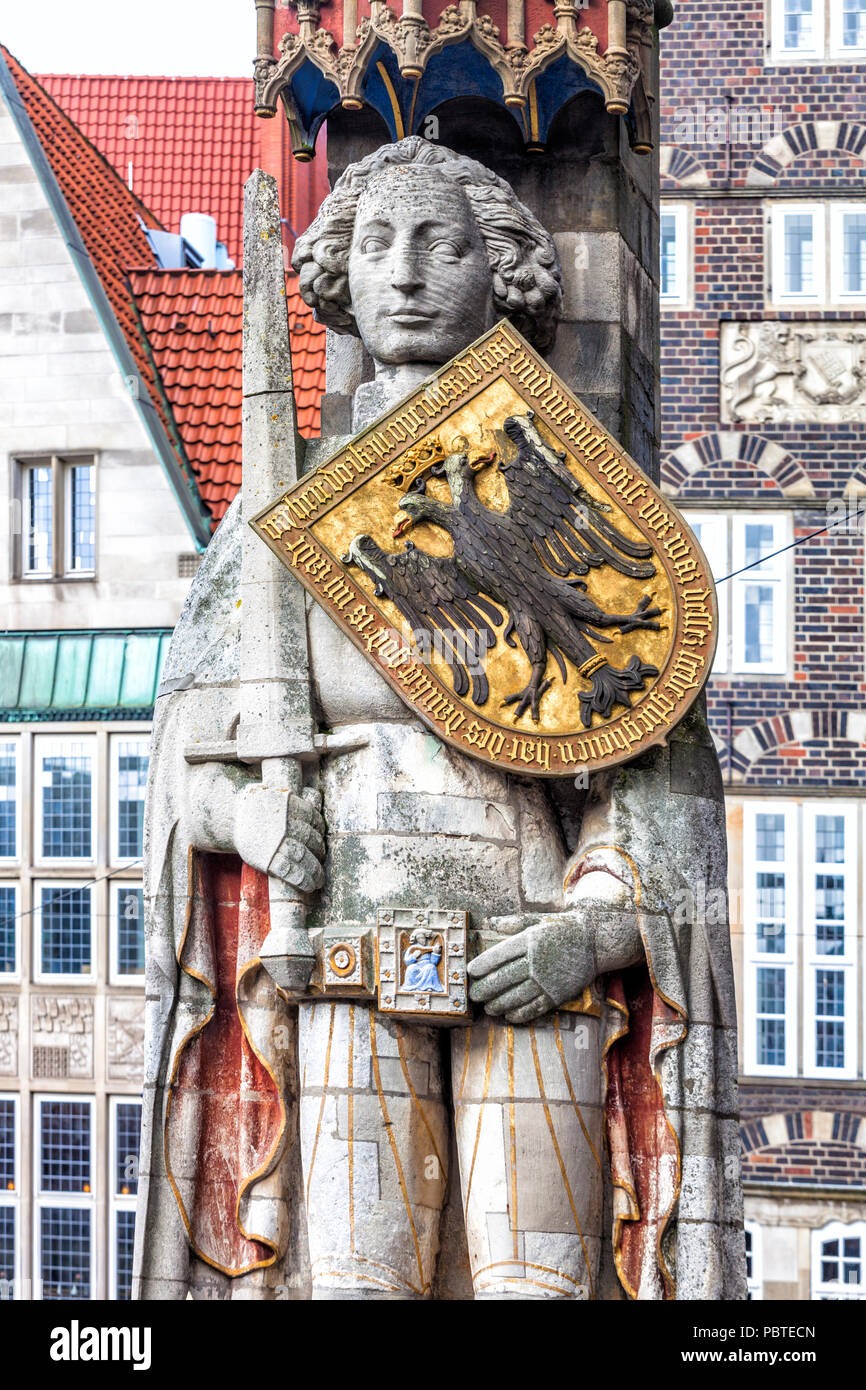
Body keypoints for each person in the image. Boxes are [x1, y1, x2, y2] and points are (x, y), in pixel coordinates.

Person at [134, 137, 744, 1301]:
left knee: (538, 1282)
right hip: (344, 934)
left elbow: (657, 767)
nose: (404, 272)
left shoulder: (566, 484)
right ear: (339, 278)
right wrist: (249, 813)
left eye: (441, 243)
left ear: (498, 270)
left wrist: (595, 930)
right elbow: (185, 757)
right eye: (374, 243)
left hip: (530, 934)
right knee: (351, 1279)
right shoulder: (277, 515)